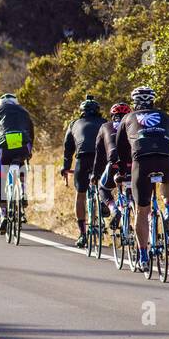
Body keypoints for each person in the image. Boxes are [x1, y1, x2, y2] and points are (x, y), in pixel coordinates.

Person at [114, 86, 169, 269]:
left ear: (134, 103)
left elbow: (121, 148)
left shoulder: (127, 118)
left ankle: (142, 256)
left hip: (141, 163)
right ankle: (168, 210)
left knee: (142, 211)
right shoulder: (164, 116)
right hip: (165, 158)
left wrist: (124, 170)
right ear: (153, 100)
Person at [60, 96, 107, 248]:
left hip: (83, 158)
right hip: (101, 159)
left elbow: (68, 148)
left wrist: (66, 166)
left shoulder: (74, 123)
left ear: (82, 112)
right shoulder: (105, 122)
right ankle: (105, 202)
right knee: (104, 186)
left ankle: (82, 234)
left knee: (81, 194)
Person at [0, 93, 34, 235]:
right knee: (21, 164)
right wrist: (29, 151)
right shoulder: (24, 111)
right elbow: (31, 133)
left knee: (0, 179)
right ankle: (23, 192)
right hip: (22, 143)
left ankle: (4, 213)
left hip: (4, 144)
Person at [92, 102, 132, 231]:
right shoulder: (132, 125)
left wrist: (96, 173)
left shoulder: (105, 126)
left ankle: (114, 209)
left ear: (112, 116)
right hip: (134, 163)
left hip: (114, 164)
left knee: (103, 188)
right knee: (135, 193)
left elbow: (99, 154)